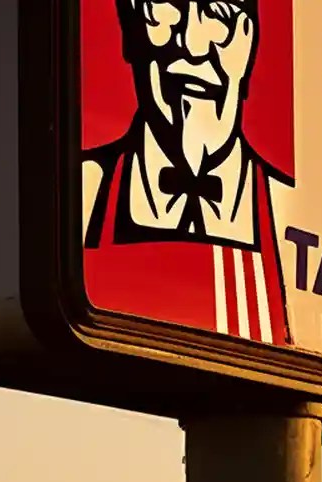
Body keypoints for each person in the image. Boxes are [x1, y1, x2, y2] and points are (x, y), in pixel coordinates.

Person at [81, 0, 293, 346]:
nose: (194, 44)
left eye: (219, 12)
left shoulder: (290, 218)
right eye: (167, 7)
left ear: (248, 42)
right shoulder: (83, 194)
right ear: (132, 33)